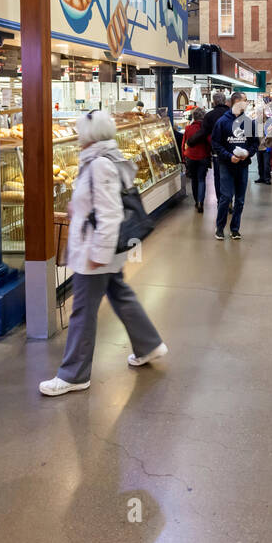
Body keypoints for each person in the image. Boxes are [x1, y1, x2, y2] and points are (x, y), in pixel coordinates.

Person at [40, 110, 167, 395]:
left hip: (97, 251)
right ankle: (149, 345)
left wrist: (99, 253)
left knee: (82, 311)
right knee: (120, 294)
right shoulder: (105, 158)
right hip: (103, 248)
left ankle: (74, 375)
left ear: (90, 134)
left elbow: (109, 212)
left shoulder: (99, 164)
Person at [210, 92, 259, 240]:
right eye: (245, 101)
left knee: (240, 200)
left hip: (243, 166)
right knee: (225, 197)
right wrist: (229, 156)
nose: (247, 103)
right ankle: (219, 228)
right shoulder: (222, 122)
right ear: (236, 101)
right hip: (226, 165)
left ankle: (235, 228)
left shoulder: (248, 122)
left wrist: (247, 153)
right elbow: (215, 144)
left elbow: (254, 143)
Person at [199, 92, 230, 200]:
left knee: (218, 177)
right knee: (230, 177)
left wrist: (190, 141)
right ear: (225, 101)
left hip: (217, 152)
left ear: (213, 101)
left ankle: (221, 201)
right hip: (232, 152)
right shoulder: (231, 113)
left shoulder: (209, 115)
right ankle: (229, 200)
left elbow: (203, 133)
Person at [180, 107, 209, 212]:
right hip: (203, 157)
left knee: (194, 179)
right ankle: (201, 202)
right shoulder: (206, 129)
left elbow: (184, 144)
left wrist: (183, 157)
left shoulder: (188, 128)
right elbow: (210, 142)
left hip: (190, 157)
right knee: (201, 179)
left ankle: (196, 201)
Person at [255, 99, 272, 185]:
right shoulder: (255, 123)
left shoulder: (269, 121)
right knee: (260, 164)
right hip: (258, 146)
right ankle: (261, 177)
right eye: (258, 114)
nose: (260, 115)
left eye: (261, 113)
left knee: (266, 164)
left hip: (267, 146)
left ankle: (267, 178)